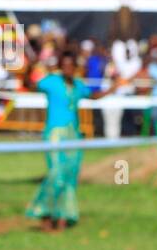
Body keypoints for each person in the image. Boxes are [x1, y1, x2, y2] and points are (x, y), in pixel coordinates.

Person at [27, 51, 108, 230]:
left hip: (74, 135)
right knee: (56, 173)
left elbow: (93, 96)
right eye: (65, 65)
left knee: (70, 175)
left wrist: (116, 86)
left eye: (71, 65)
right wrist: (28, 68)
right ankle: (45, 212)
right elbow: (31, 85)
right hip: (55, 133)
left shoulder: (78, 86)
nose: (68, 69)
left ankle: (63, 216)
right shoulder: (51, 82)